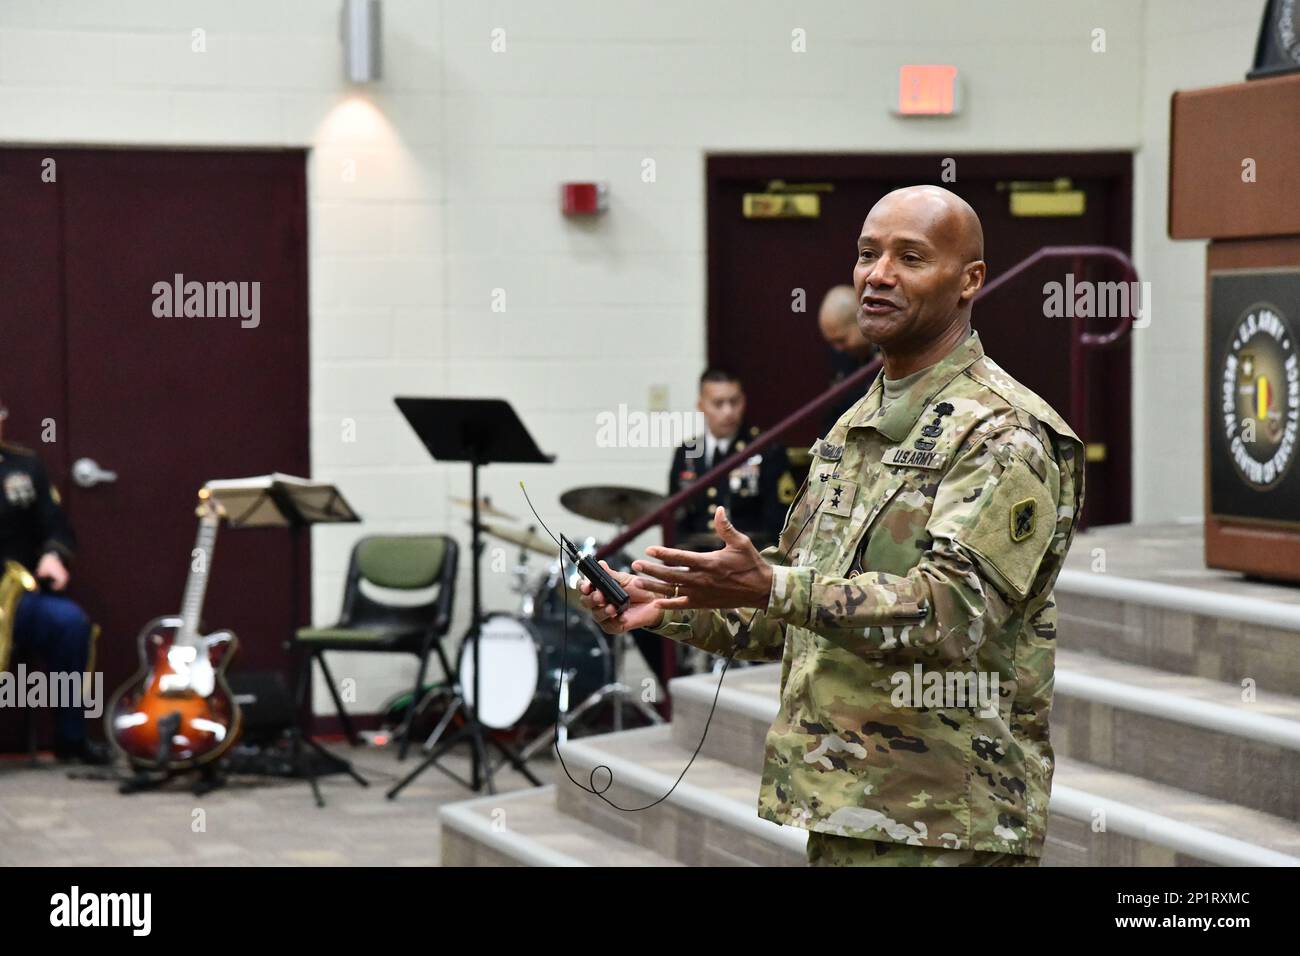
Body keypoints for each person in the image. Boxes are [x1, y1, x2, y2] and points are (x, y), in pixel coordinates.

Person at [580, 185, 1085, 867]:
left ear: (970, 281)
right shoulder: (856, 425)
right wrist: (664, 608)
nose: (878, 274)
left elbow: (949, 618)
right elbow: (798, 609)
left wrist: (777, 588)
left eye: (910, 257)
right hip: (849, 804)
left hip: (946, 823)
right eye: (867, 254)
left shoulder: (1003, 433)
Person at [0, 399, 106, 763]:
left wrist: (53, 556)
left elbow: (56, 525)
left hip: (17, 598)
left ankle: (71, 739)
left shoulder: (24, 467)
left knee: (69, 624)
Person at [668, 369, 788, 551]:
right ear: (701, 405)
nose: (728, 411)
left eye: (734, 402)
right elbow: (676, 517)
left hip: (748, 554)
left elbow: (778, 518)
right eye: (718, 404)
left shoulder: (765, 449)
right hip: (697, 555)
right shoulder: (687, 452)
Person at [818, 284, 880, 432]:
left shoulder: (893, 356)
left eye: (841, 340)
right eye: (832, 342)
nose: (838, 348)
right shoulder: (843, 357)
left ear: (862, 320)